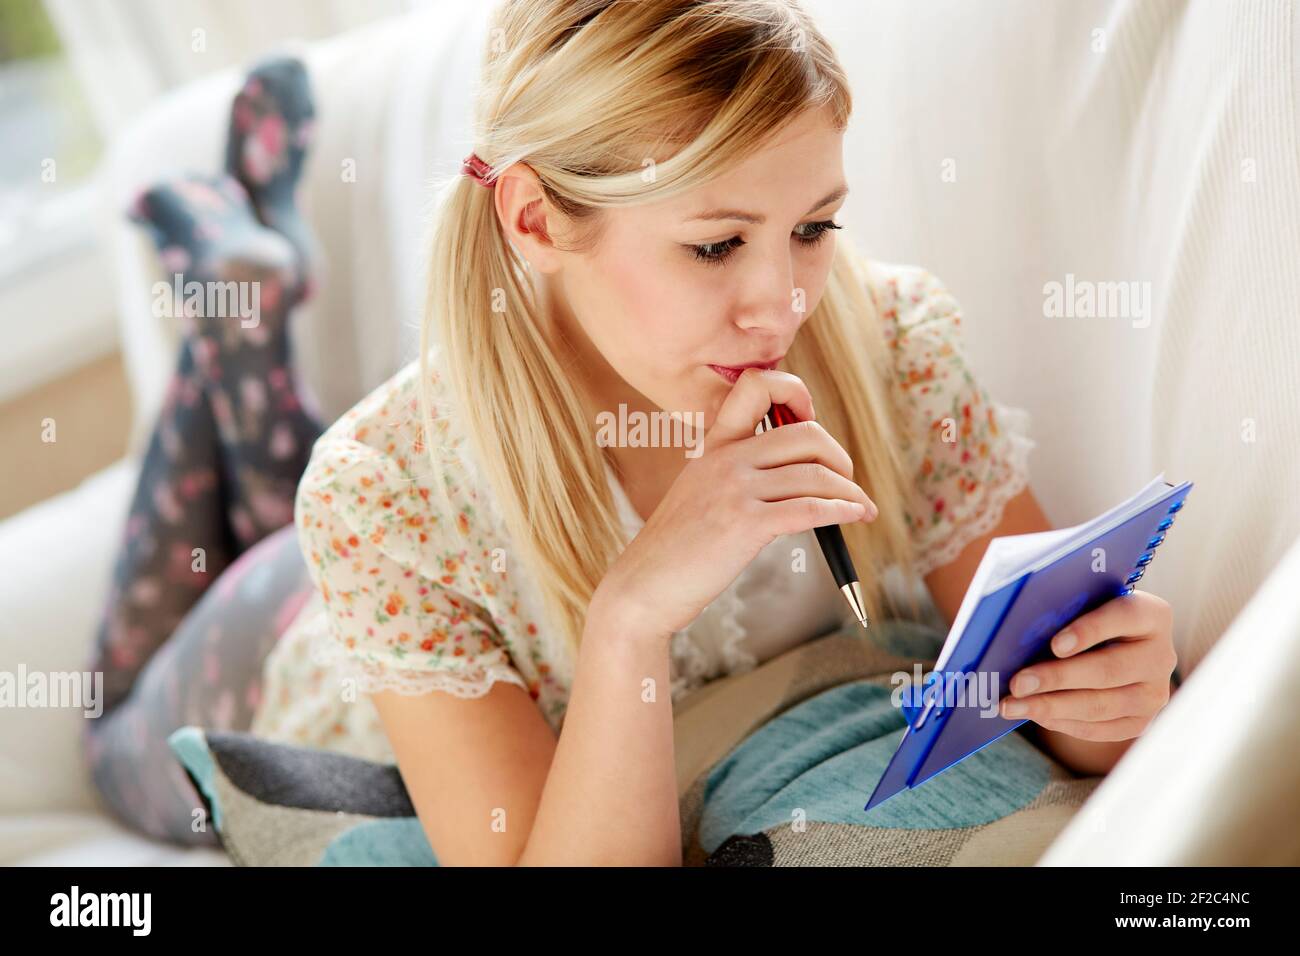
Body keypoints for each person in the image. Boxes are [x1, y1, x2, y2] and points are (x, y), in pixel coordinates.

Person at [89, 0, 1180, 865]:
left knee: (282, 446)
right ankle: (233, 319)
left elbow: (1054, 691)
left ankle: (253, 302)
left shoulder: (886, 340)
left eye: (810, 228)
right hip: (275, 642)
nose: (781, 302)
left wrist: (1115, 696)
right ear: (535, 220)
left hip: (403, 493)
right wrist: (629, 617)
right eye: (714, 245)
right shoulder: (383, 495)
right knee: (122, 696)